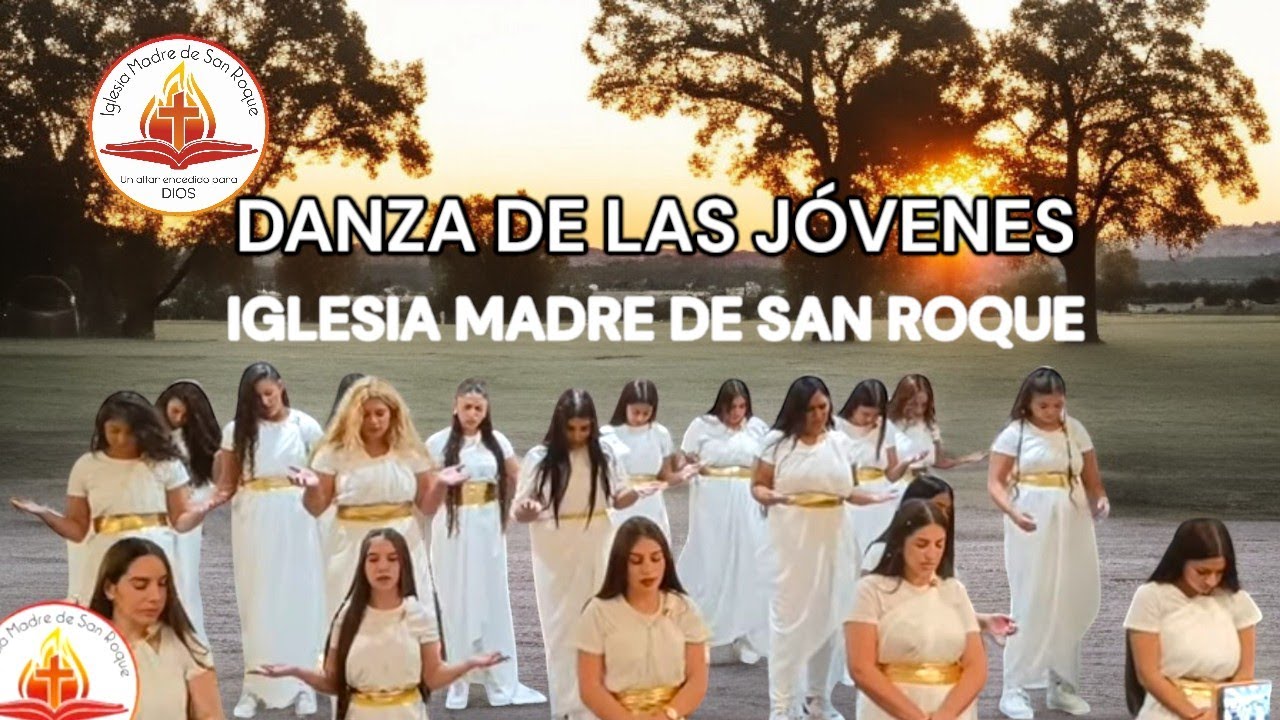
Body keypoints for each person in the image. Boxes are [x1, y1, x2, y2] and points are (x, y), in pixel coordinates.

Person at [752, 376, 895, 720]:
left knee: (830, 620)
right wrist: (770, 495)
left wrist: (875, 497)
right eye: (810, 408)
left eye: (822, 406)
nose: (818, 414)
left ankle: (818, 699)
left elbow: (849, 491)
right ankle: (782, 706)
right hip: (791, 540)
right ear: (796, 410)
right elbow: (758, 485)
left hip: (835, 539)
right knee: (789, 623)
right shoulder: (776, 443)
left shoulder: (840, 443)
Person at [252, 528, 506, 720]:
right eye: (373, 559)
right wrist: (296, 671)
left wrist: (470, 664)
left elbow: (433, 676)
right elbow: (332, 682)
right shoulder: (347, 617)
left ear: (403, 564)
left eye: (392, 558)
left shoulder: (419, 616)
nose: (382, 566)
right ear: (362, 566)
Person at [511, 388, 653, 720]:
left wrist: (637, 493)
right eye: (571, 429)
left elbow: (619, 496)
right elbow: (520, 508)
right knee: (562, 631)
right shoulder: (539, 458)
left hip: (598, 542)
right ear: (559, 425)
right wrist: (528, 509)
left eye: (584, 429)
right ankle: (568, 708)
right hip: (554, 550)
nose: (577, 436)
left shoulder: (604, 454)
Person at [11, 390, 223, 608]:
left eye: (130, 432)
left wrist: (206, 506)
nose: (122, 439)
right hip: (106, 555)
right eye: (115, 431)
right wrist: (43, 512)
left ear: (144, 431)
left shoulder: (167, 465)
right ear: (102, 429)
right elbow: (77, 529)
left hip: (155, 552)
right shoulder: (87, 466)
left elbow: (181, 520)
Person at [988, 367, 1109, 719]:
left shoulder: (1076, 431)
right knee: (1031, 597)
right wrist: (1013, 512)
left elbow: (1093, 481)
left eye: (1059, 405)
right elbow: (995, 483)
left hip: (1072, 521)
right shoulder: (1015, 435)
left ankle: (1063, 685)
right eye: (1045, 406)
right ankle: (1014, 688)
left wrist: (1100, 500)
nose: (1054, 412)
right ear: (1028, 403)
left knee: (1068, 598)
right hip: (1031, 520)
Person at [298, 376, 463, 631]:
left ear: (393, 414)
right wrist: (310, 488)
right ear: (353, 416)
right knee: (352, 619)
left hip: (403, 544)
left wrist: (441, 484)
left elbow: (427, 506)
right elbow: (316, 506)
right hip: (351, 546)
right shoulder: (333, 453)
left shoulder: (411, 453)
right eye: (365, 414)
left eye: (380, 413)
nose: (373, 421)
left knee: (404, 622)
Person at [424, 378, 546, 710]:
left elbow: (517, 476)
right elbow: (423, 486)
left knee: (491, 599)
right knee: (454, 601)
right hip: (451, 529)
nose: (472, 413)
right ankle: (457, 681)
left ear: (486, 410)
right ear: (455, 406)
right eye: (467, 406)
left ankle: (497, 678)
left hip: (486, 527)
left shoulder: (497, 442)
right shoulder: (437, 443)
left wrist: (507, 514)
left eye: (479, 408)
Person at [216, 361, 326, 718]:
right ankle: (256, 684)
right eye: (257, 396)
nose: (265, 401)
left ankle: (304, 682)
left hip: (297, 516)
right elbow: (227, 485)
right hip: (253, 519)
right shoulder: (236, 431)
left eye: (269, 392)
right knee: (258, 598)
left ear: (281, 386)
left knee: (299, 595)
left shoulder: (305, 425)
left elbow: (325, 475)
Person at [846, 499, 987, 720]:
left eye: (939, 545)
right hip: (889, 710)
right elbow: (861, 667)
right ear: (901, 543)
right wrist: (915, 717)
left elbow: (976, 665)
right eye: (922, 545)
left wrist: (947, 714)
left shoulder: (954, 591)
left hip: (950, 710)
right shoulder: (870, 591)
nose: (931, 555)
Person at [1124, 519, 1262, 720]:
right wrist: (1193, 715)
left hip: (1228, 710)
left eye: (1219, 572)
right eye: (1202, 572)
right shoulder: (1151, 597)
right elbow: (1148, 674)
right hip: (1167, 710)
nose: (1211, 581)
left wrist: (1217, 712)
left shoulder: (1237, 600)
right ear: (1181, 562)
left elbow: (1245, 673)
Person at [675, 378, 771, 665]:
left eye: (742, 406)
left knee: (749, 560)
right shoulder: (702, 426)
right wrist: (694, 468)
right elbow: (685, 459)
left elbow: (766, 464)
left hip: (747, 501)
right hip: (712, 502)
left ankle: (748, 633)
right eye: (732, 407)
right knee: (711, 557)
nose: (737, 413)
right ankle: (699, 630)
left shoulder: (757, 428)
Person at [576, 517, 710, 720]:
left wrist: (668, 714)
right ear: (621, 564)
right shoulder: (598, 612)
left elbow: (697, 680)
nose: (648, 569)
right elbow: (590, 687)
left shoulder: (684, 609)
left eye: (656, 558)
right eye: (636, 561)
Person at [860, 474, 1018, 646]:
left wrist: (985, 622)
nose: (943, 515)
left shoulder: (942, 560)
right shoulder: (880, 553)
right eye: (937, 507)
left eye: (947, 511)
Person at [89, 537, 225, 720]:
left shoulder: (185, 645)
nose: (155, 596)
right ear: (110, 589)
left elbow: (211, 716)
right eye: (140, 585)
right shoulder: (85, 650)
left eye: (162, 584)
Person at [158, 379, 221, 641]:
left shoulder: (197, 443)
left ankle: (190, 643)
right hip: (154, 520)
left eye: (186, 416)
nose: (180, 419)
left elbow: (211, 481)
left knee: (184, 581)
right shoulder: (148, 437)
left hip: (187, 521)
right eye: (175, 412)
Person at [602, 379, 697, 540]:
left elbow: (665, 476)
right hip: (620, 504)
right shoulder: (606, 435)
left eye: (646, 413)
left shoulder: (660, 434)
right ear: (624, 406)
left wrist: (685, 473)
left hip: (652, 506)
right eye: (635, 412)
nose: (640, 418)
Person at [835, 379, 920, 555]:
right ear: (854, 407)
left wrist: (906, 462)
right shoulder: (836, 427)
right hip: (849, 493)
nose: (870, 420)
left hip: (881, 494)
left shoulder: (884, 427)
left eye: (875, 415)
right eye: (865, 414)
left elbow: (891, 475)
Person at [887, 374, 985, 477]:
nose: (919, 410)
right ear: (901, 401)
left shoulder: (930, 423)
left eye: (924, 405)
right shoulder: (883, 421)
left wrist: (965, 460)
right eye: (913, 404)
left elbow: (940, 462)